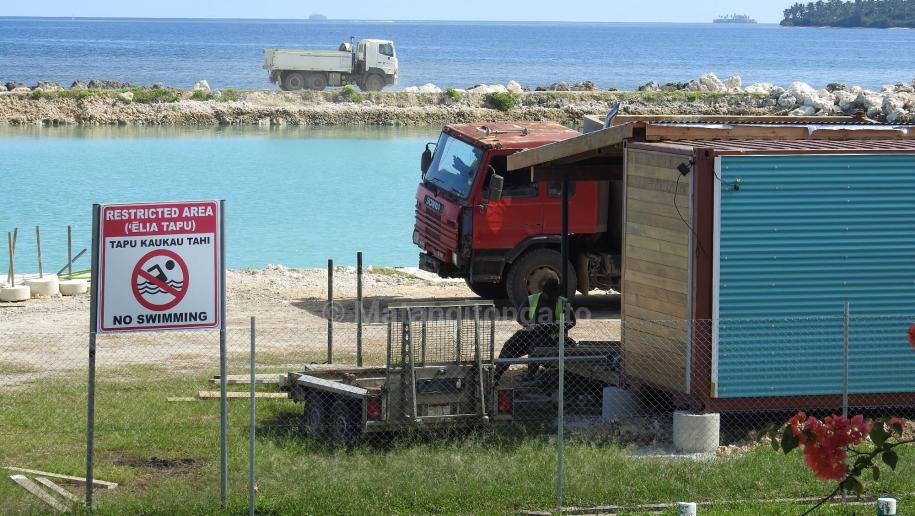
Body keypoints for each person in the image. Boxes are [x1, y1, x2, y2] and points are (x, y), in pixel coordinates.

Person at [494, 277, 575, 383]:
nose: (552, 298)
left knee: (537, 345)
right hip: (531, 333)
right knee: (510, 345)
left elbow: (572, 322)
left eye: (554, 296)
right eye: (549, 295)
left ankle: (530, 374)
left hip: (553, 338)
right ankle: (496, 375)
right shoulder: (532, 299)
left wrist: (556, 327)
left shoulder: (562, 302)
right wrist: (531, 326)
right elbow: (520, 318)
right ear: (543, 292)